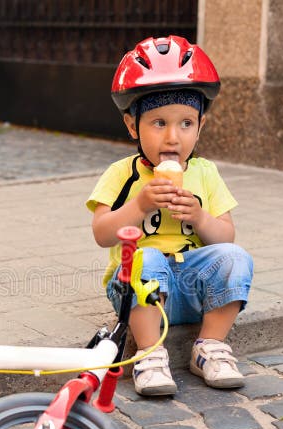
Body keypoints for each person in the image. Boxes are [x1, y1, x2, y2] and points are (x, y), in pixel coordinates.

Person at [86, 35, 253, 396]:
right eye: (159, 123)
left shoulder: (205, 173)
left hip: (194, 290)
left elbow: (226, 236)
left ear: (201, 125)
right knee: (146, 258)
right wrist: (140, 205)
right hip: (138, 292)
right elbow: (102, 233)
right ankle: (148, 353)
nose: (173, 137)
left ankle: (210, 347)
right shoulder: (122, 173)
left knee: (236, 257)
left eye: (186, 124)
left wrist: (200, 217)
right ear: (133, 127)